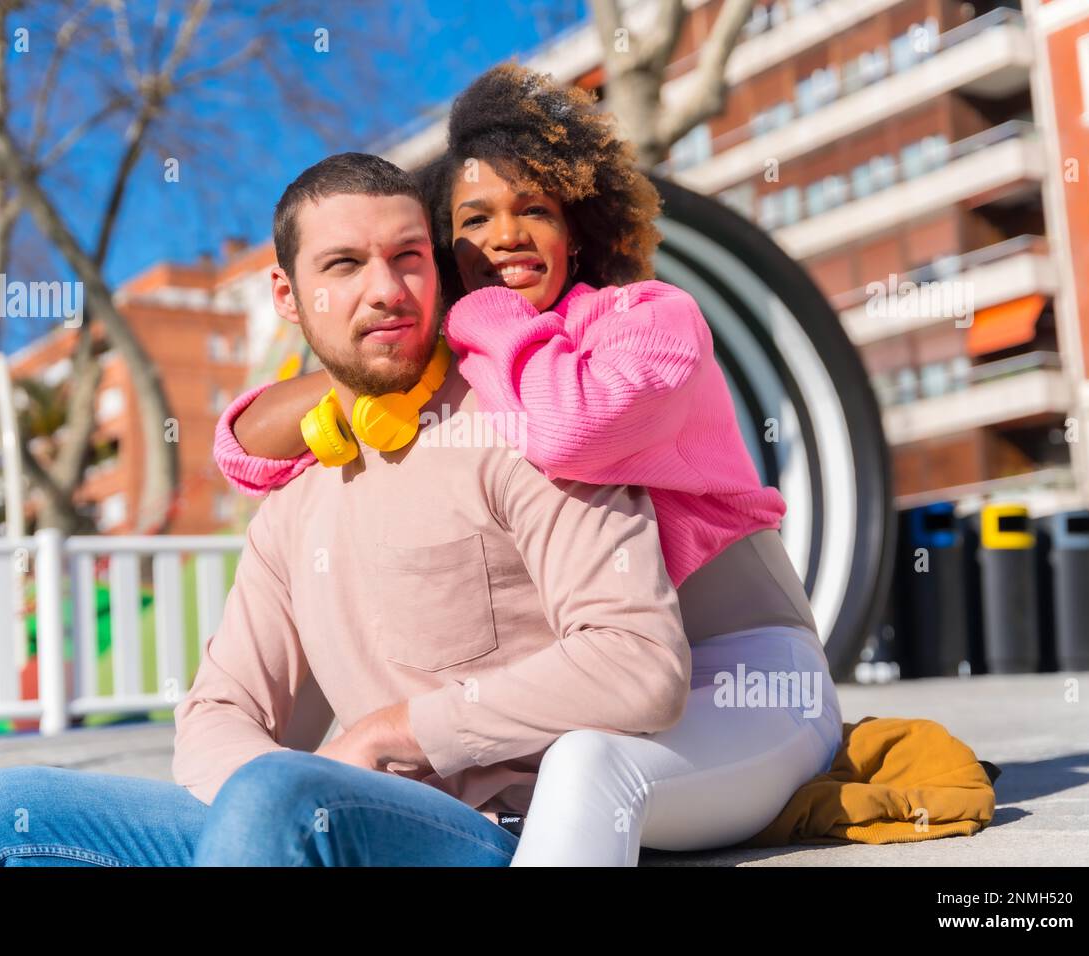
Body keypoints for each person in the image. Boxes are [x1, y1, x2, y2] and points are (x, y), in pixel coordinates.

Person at [0, 151, 693, 867]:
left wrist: (396, 734)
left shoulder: (526, 423)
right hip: (300, 819)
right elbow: (220, 711)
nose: (385, 290)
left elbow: (639, 661)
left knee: (280, 796)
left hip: (499, 833)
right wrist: (265, 805)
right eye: (345, 265)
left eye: (408, 259)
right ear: (287, 295)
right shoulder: (297, 493)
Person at [211, 64, 845, 866]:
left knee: (586, 768)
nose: (505, 235)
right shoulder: (480, 359)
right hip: (633, 698)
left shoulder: (647, 318)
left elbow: (572, 428)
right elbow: (243, 452)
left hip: (752, 688)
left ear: (577, 228)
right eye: (474, 218)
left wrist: (478, 315)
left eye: (534, 210)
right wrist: (358, 376)